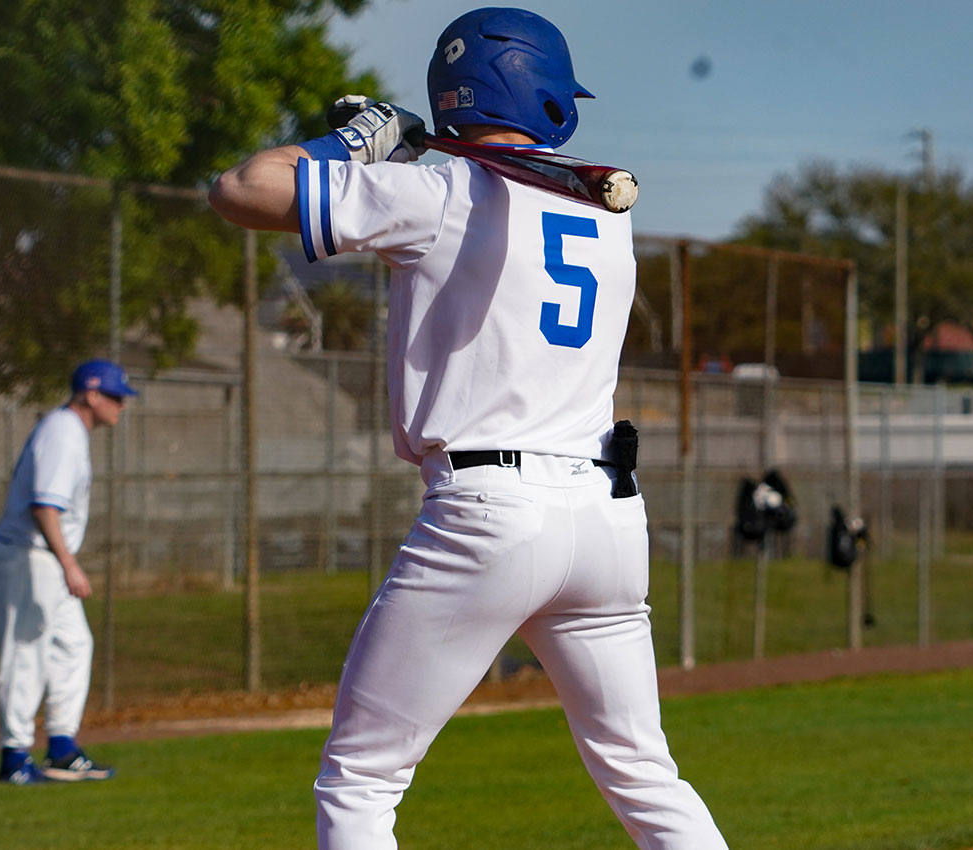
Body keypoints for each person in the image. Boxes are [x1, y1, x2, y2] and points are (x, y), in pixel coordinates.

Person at [208, 8, 728, 848]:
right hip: (604, 517)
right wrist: (420, 162)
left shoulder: (437, 192)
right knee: (643, 773)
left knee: (361, 779)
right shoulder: (604, 211)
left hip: (488, 511)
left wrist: (364, 142)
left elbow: (239, 189)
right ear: (541, 94)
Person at [0, 358, 133, 783]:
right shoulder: (64, 433)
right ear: (91, 394)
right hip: (28, 557)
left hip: (46, 559)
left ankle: (61, 748)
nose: (122, 405)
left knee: (74, 645)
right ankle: (14, 758)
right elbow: (45, 506)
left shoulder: (69, 431)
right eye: (116, 396)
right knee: (25, 656)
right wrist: (70, 564)